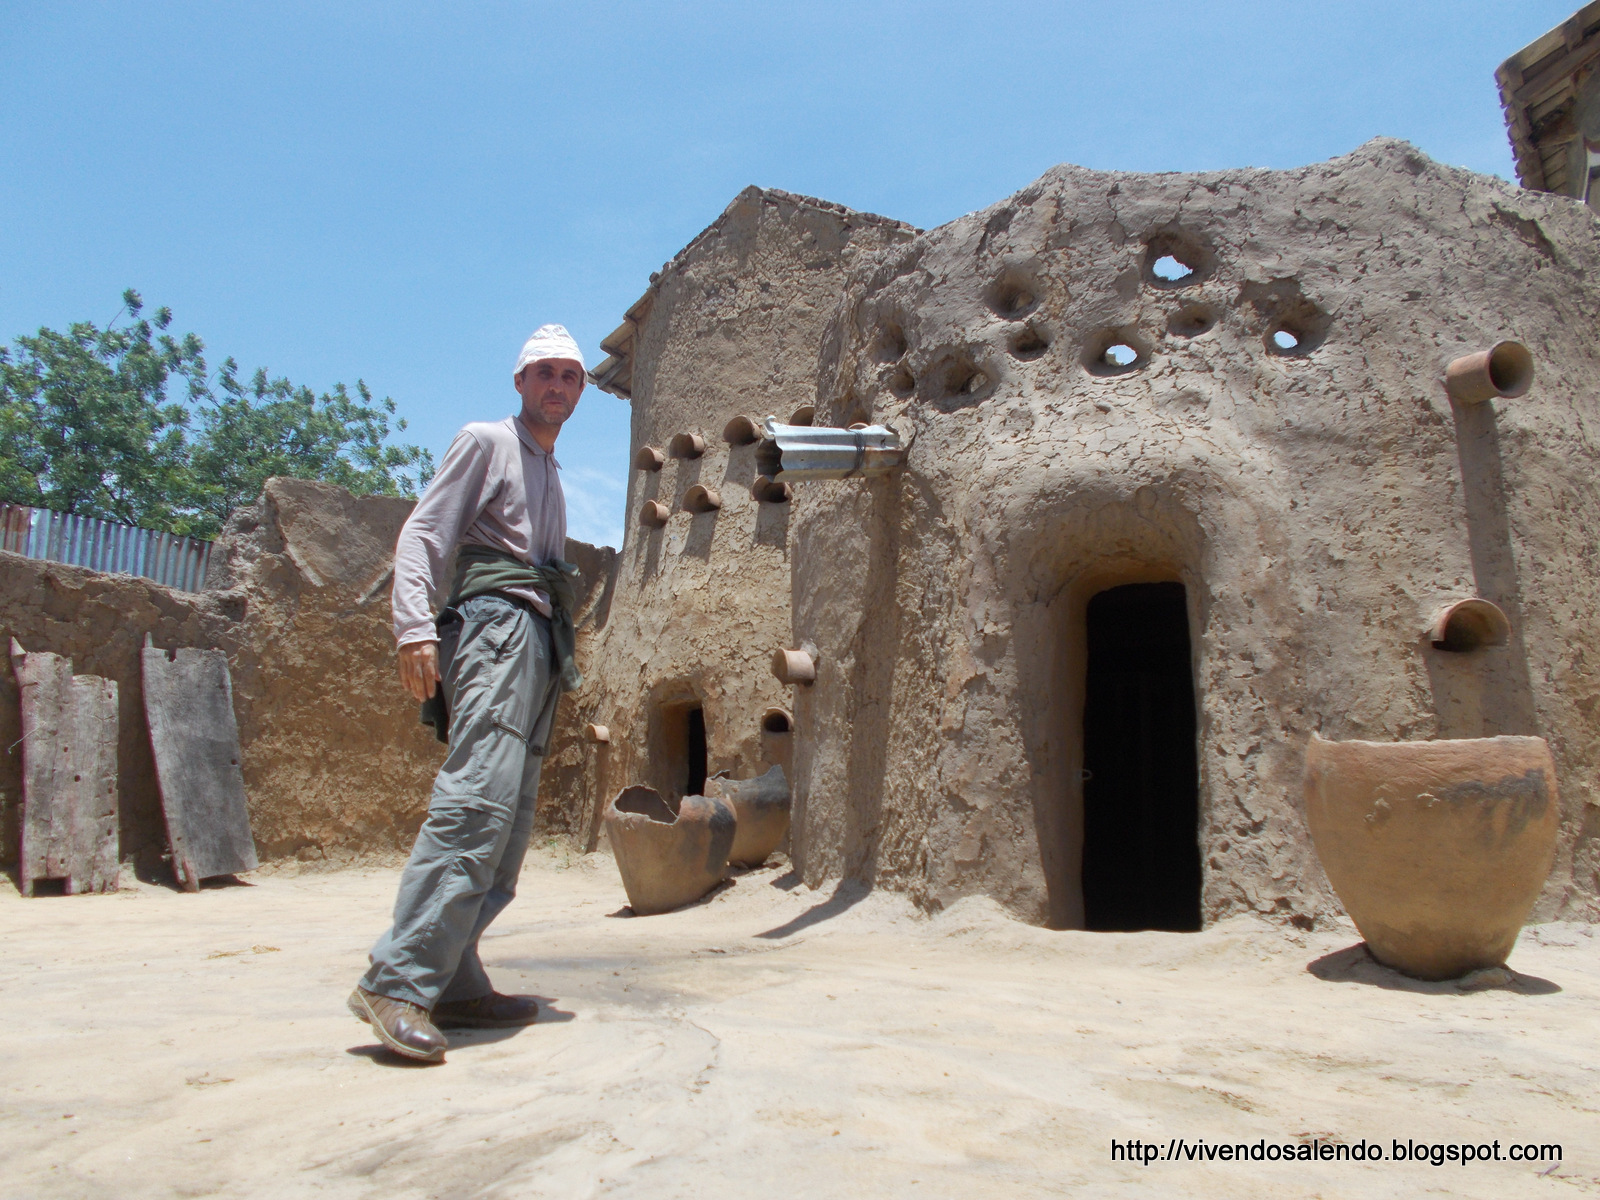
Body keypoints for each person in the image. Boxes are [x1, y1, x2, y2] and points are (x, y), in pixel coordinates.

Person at [347, 324, 588, 1063]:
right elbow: (423, 534)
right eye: (545, 372)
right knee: (476, 803)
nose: (557, 386)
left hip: (538, 642)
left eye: (570, 376)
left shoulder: (550, 468)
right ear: (520, 382)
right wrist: (414, 628)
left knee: (509, 825)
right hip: (496, 630)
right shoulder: (487, 441)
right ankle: (397, 981)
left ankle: (452, 977)